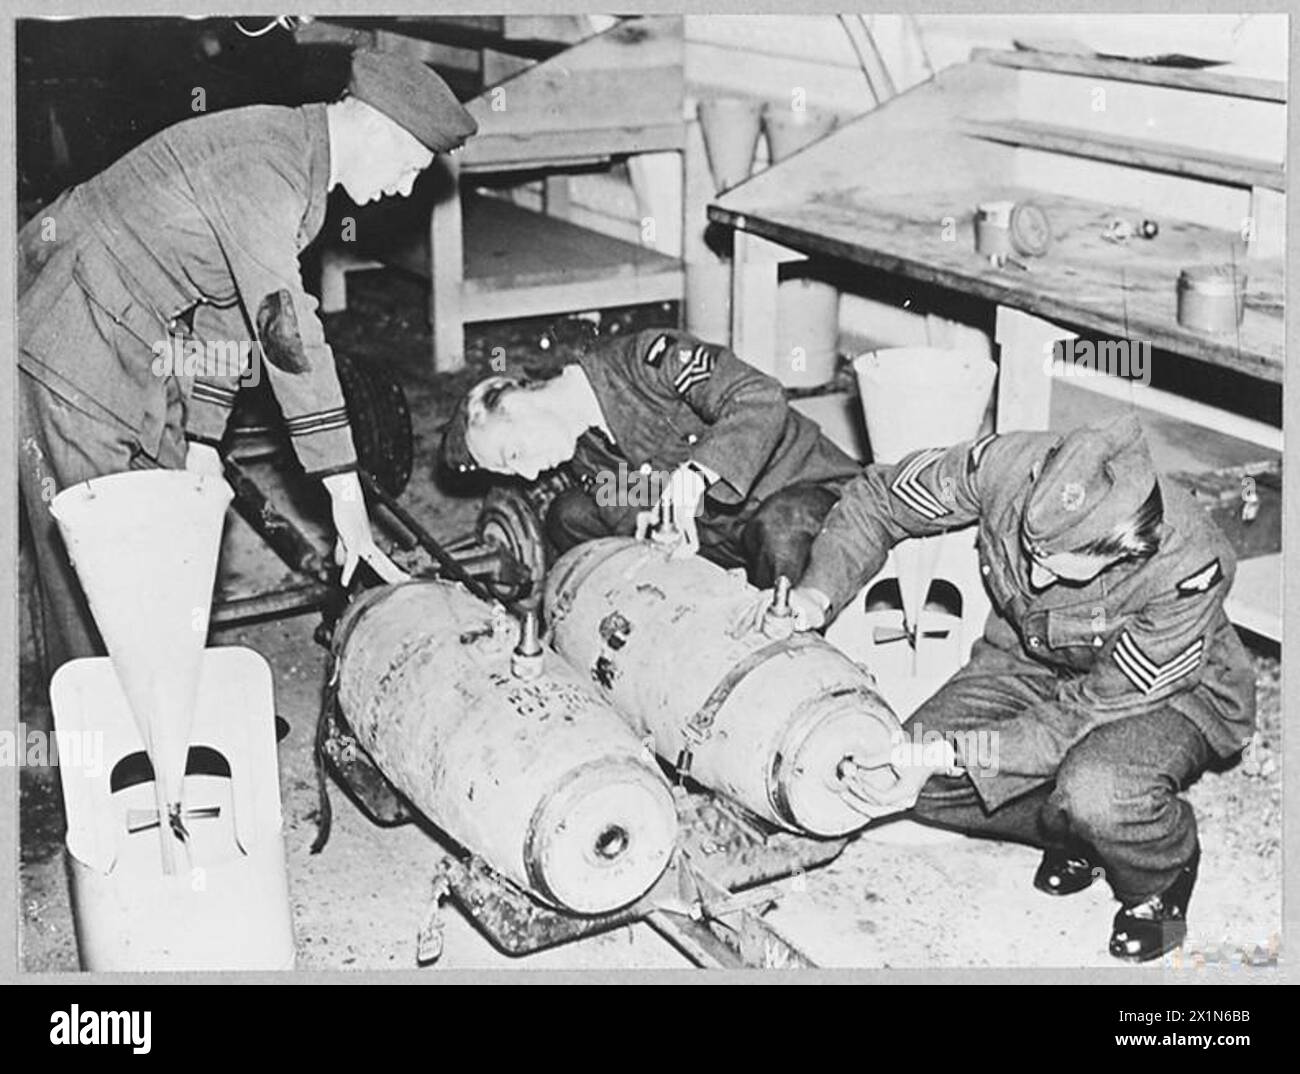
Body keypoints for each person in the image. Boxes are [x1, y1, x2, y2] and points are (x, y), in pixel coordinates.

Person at [18, 48, 477, 672]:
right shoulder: (268, 165)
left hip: (130, 330)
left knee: (164, 530)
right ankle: (101, 739)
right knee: (101, 559)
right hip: (70, 330)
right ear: (373, 124)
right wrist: (342, 486)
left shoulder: (299, 166)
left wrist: (204, 436)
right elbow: (284, 330)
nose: (405, 186)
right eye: (409, 165)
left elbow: (227, 304)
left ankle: (158, 709)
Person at [735, 414, 1255, 962]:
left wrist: (953, 751)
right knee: (899, 773)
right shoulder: (1003, 466)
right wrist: (819, 592)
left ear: (1126, 549)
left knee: (1097, 791)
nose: (1034, 579)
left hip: (1161, 697)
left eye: (1058, 568)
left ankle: (1161, 864)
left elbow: (1079, 717)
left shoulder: (1190, 566)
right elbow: (882, 498)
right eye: (1030, 551)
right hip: (1026, 661)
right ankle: (1078, 836)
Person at [439, 328, 863, 587]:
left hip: (802, 493)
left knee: (780, 527)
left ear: (516, 402)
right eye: (512, 469)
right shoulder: (580, 450)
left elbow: (760, 396)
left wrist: (696, 474)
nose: (529, 471)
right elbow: (629, 499)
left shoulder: (648, 360)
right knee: (571, 514)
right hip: (721, 532)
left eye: (513, 453)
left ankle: (784, 656)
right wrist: (649, 530)